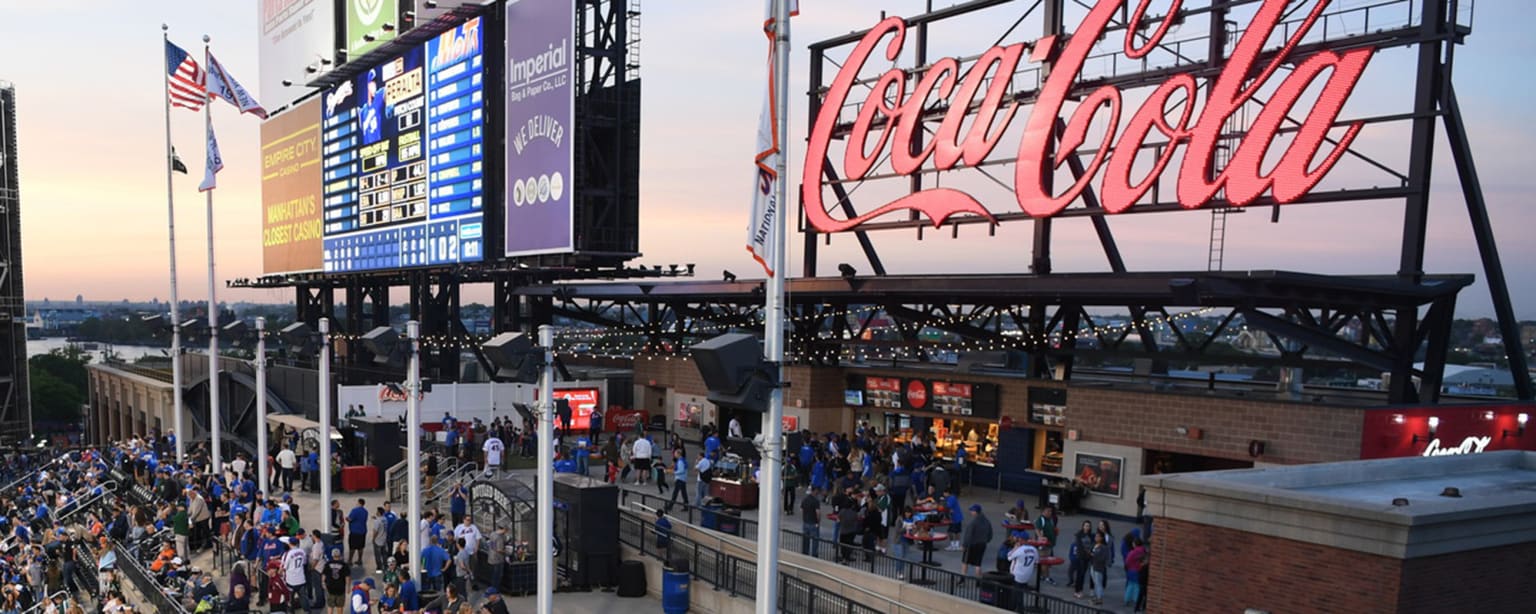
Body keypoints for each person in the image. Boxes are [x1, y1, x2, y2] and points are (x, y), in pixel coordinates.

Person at [959, 504, 993, 578]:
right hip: (982, 544)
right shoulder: (987, 521)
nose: (970, 512)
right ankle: (978, 580)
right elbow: (990, 534)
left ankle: (962, 579)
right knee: (978, 564)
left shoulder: (973, 522)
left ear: (975, 512)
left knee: (965, 562)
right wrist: (986, 540)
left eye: (972, 510)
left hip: (972, 545)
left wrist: (964, 545)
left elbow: (968, 535)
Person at [1007, 535, 1040, 607]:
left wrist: (1015, 548)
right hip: (1027, 574)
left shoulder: (1020, 550)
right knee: (1019, 592)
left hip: (1017, 575)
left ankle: (1017, 609)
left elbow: (1009, 557)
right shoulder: (1034, 549)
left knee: (1017, 594)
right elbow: (1037, 562)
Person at [1069, 520, 1093, 599]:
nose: (1087, 527)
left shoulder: (1091, 535)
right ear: (1083, 526)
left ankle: (1080, 590)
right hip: (1081, 557)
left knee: (1083, 575)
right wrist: (1088, 552)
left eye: (1088, 526)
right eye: (1086, 525)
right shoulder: (1079, 535)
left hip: (1087, 558)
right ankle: (1077, 591)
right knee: (1080, 574)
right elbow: (1080, 546)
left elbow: (1093, 544)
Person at [1035, 505, 1059, 585]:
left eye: (1051, 511)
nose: (1050, 513)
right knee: (1045, 561)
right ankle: (1047, 577)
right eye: (1048, 511)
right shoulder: (1041, 519)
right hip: (1044, 545)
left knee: (1046, 560)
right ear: (1043, 511)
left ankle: (1042, 575)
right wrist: (1041, 538)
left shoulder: (1050, 519)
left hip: (1049, 544)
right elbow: (1037, 529)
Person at [323, 548, 350, 614]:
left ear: (332, 555)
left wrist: (323, 583)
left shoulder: (328, 564)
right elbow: (347, 577)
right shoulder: (344, 565)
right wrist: (348, 587)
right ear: (340, 555)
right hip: (340, 588)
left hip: (330, 588)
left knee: (330, 606)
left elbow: (324, 575)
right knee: (340, 606)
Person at [1124, 535, 1147, 608]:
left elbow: (1127, 561)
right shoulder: (1143, 551)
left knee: (1130, 585)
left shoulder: (1133, 552)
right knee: (1137, 586)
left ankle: (1127, 599)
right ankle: (1136, 599)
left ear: (1135, 544)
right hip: (1140, 570)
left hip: (1131, 570)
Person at [1089, 530, 1110, 605]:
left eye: (1098, 536)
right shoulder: (1094, 545)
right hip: (1092, 565)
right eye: (1095, 536)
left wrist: (1093, 555)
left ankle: (1099, 598)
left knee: (1098, 583)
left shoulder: (1104, 547)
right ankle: (1097, 596)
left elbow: (1103, 558)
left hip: (1098, 567)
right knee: (1095, 582)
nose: (1096, 538)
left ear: (1101, 538)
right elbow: (1091, 552)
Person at [799, 487, 821, 557]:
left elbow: (801, 510)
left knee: (806, 539)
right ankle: (814, 554)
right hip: (813, 523)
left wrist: (804, 518)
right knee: (815, 540)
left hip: (806, 522)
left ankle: (805, 552)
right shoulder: (816, 501)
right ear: (815, 491)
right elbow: (818, 512)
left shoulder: (805, 499)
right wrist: (818, 522)